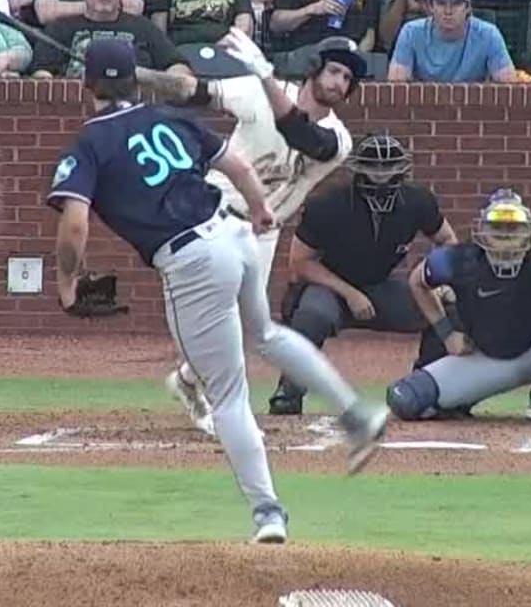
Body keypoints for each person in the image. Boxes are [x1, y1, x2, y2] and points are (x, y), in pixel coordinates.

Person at [46, 37, 390, 544]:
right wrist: (261, 209)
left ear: (86, 85)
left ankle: (268, 511)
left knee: (228, 392)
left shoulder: (90, 143)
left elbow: (74, 226)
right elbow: (235, 161)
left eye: (347, 77)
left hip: (193, 257)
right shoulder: (170, 117)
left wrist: (66, 283)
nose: (338, 82)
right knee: (265, 334)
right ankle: (357, 415)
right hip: (236, 234)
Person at [133, 35, 367, 433]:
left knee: (246, 325)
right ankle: (226, 408)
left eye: (347, 78)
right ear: (314, 68)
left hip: (262, 230)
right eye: (333, 71)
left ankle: (190, 381)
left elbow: (304, 137)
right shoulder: (256, 90)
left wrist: (266, 76)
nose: (339, 83)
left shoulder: (339, 138)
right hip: (213, 216)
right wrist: (132, 72)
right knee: (227, 319)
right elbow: (193, 92)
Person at [267, 131, 459, 416]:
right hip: (331, 286)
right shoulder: (328, 204)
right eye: (374, 167)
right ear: (357, 168)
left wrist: (434, 278)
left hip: (380, 287)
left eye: (389, 166)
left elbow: (449, 242)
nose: (381, 174)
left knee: (445, 304)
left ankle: (424, 388)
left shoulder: (418, 201)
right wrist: (350, 293)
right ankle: (289, 389)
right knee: (312, 315)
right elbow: (300, 263)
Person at [384, 189, 531, 425]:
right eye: (497, 227)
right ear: (482, 229)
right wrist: (447, 333)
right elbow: (418, 281)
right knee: (405, 399)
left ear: (528, 231)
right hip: (485, 360)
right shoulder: (459, 260)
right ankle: (460, 400)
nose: (505, 234)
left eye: (513, 228)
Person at [32, 0, 188, 78]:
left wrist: (166, 82)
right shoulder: (60, 28)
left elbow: (178, 67)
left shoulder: (143, 28)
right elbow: (40, 73)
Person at [388, 0, 517, 83]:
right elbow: (395, 86)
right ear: (431, 6)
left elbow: (510, 87)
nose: (448, 11)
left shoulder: (489, 35)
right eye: (441, 3)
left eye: (456, 4)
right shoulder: (410, 33)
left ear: (468, 8)